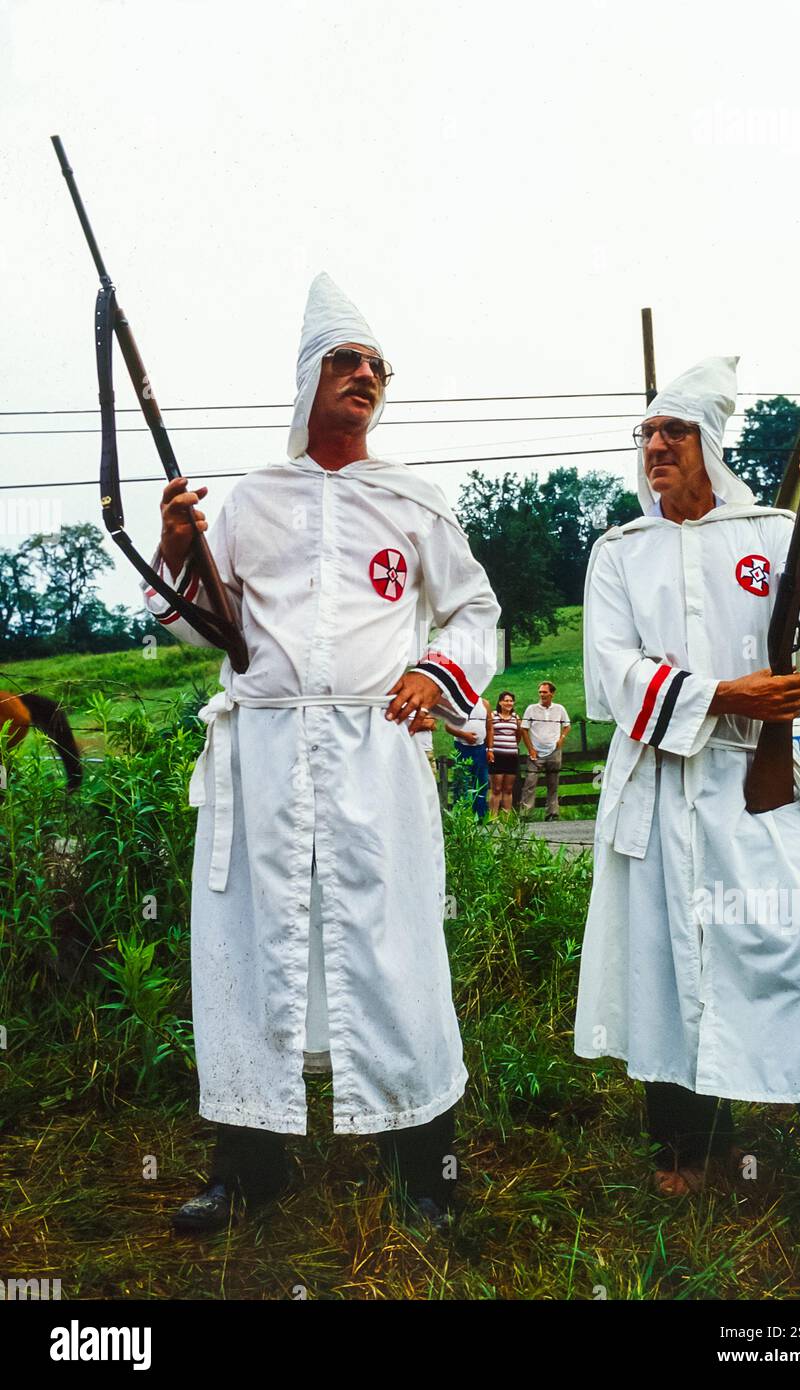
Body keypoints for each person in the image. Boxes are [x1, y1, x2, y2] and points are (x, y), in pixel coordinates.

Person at [142, 272, 500, 1233]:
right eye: (347, 361)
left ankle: (426, 1167)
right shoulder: (252, 501)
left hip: (374, 747)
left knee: (393, 946)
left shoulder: (415, 504)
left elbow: (475, 610)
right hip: (263, 751)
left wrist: (437, 674)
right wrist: (179, 547)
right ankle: (247, 1165)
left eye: (379, 365)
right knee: (254, 944)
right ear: (308, 382)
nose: (368, 375)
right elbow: (199, 627)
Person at [574, 355, 800, 1268]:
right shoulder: (619, 553)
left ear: (711, 446)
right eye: (646, 434)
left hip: (759, 787)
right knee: (668, 965)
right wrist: (727, 694)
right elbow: (612, 673)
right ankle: (692, 1148)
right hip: (661, 782)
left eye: (673, 432)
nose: (655, 447)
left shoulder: (770, 528)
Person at [519, 680, 571, 820]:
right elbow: (524, 729)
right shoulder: (531, 709)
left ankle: (552, 813)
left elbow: (567, 725)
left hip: (553, 751)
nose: (542, 694)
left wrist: (562, 738)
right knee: (530, 782)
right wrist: (530, 749)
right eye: (540, 692)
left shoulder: (559, 709)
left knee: (553, 784)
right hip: (536, 752)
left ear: (552, 694)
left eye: (545, 692)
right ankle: (525, 814)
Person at [445, 694, 492, 817]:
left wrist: (490, 749)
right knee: (463, 782)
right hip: (463, 747)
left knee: (482, 782)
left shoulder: (485, 703)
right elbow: (448, 727)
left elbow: (490, 728)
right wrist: (465, 735)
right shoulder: (457, 702)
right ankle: (462, 815)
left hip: (480, 748)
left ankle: (480, 814)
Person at [488, 691, 520, 815]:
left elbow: (518, 735)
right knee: (496, 788)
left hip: (511, 755)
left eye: (511, 701)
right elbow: (489, 732)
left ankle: (506, 817)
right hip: (497, 755)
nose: (508, 703)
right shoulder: (493, 715)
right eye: (506, 700)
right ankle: (493, 816)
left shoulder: (516, 717)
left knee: (508, 788)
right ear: (500, 702)